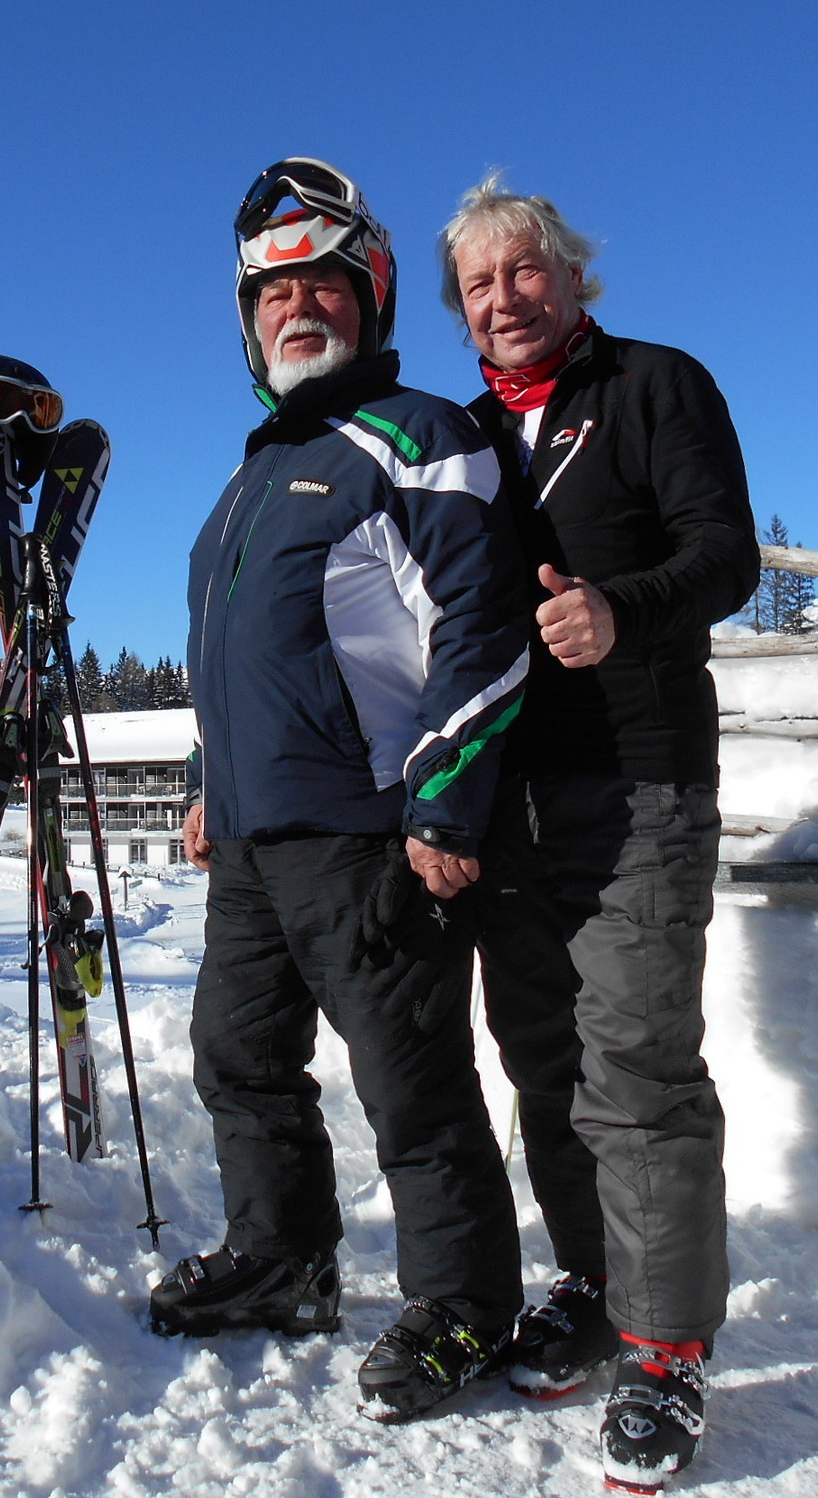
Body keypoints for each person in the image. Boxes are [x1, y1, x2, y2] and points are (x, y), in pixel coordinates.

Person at [149, 157, 532, 1423]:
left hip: (373, 835)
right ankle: (283, 1260)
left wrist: (446, 800)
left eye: (320, 285)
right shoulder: (249, 478)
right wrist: (206, 782)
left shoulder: (417, 438)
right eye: (271, 295)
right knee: (237, 1057)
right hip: (252, 845)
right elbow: (232, 662)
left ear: (369, 299)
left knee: (409, 1082)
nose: (295, 308)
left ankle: (465, 1306)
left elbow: (483, 627)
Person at [442, 172, 758, 1493]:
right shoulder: (461, 438)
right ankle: (591, 1278)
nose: (504, 298)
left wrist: (622, 610)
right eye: (478, 284)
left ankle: (666, 1348)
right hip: (507, 798)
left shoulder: (653, 386)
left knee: (636, 1064)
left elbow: (726, 554)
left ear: (572, 276)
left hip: (639, 780)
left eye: (524, 270)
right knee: (544, 1061)